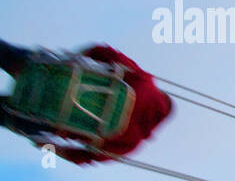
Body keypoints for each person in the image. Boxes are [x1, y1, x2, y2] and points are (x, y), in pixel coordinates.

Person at [0, 39, 172, 164]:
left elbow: (101, 51)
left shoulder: (146, 83)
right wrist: (45, 145)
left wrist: (70, 59)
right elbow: (81, 157)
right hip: (43, 119)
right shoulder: (130, 143)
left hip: (53, 73)